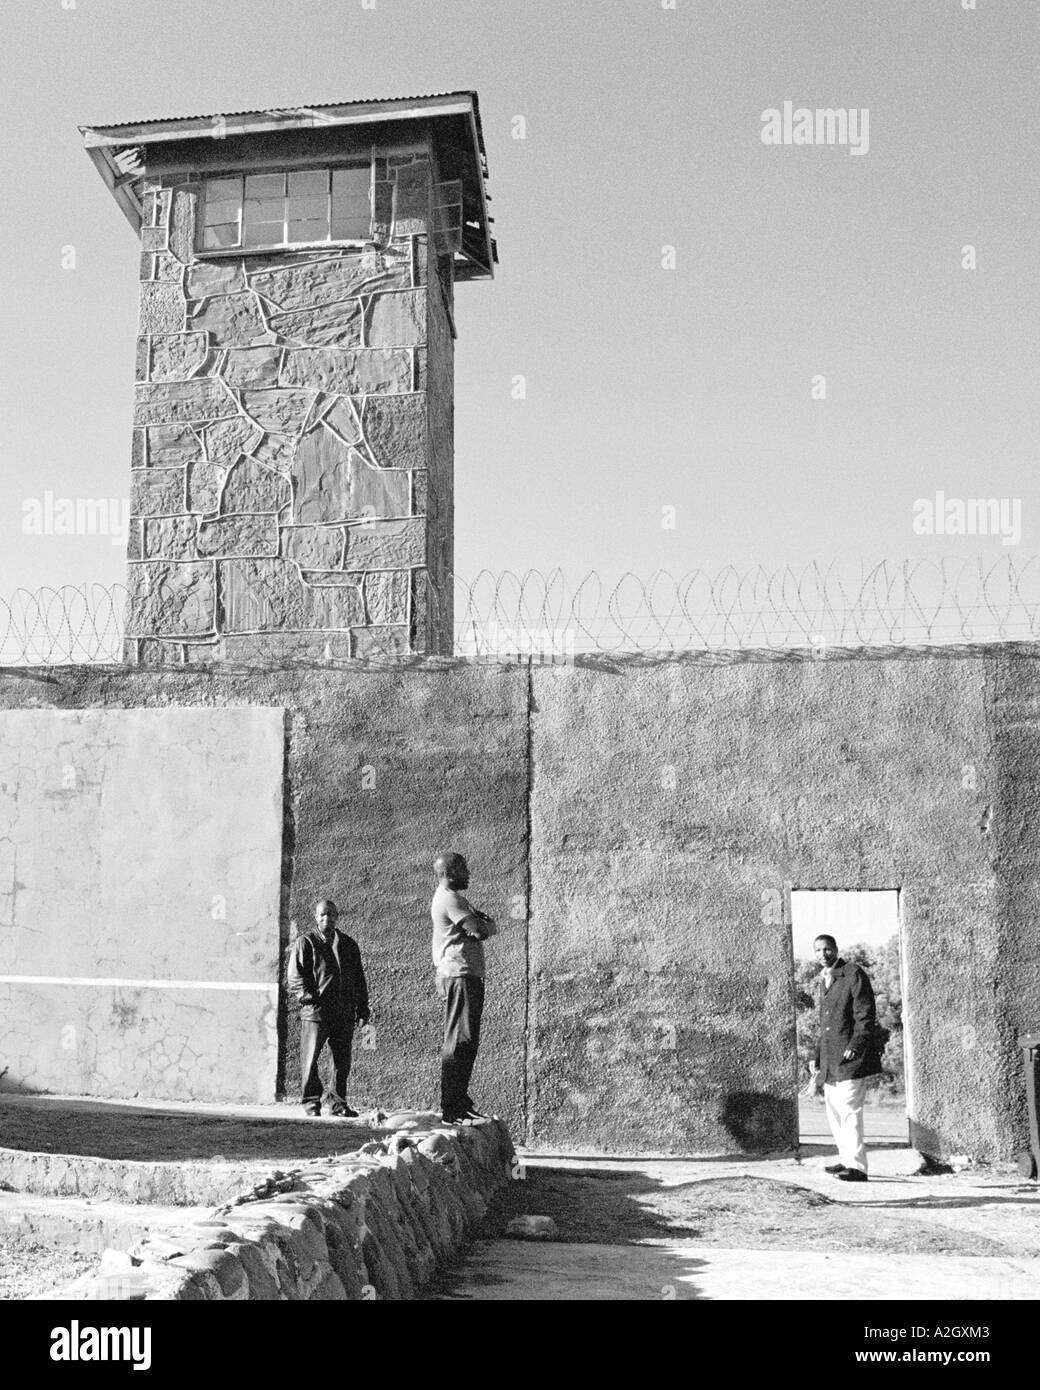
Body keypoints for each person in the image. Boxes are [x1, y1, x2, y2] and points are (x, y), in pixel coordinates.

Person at [808, 934, 882, 1182]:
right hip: (830, 1060)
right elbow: (826, 1025)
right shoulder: (826, 979)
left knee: (850, 1111)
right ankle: (846, 1159)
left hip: (850, 1059)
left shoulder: (853, 973)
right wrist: (816, 1057)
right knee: (835, 1111)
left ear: (836, 949)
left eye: (827, 949)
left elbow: (865, 1015)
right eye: (818, 950)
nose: (823, 954)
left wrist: (856, 1045)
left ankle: (858, 1167)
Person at [430, 852, 497, 1124]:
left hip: (463, 975)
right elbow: (481, 930)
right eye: (464, 869)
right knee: (460, 1041)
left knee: (465, 1040)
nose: (469, 873)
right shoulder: (451, 899)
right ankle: (453, 1108)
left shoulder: (452, 898)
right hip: (459, 975)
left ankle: (460, 1103)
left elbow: (480, 927)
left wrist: (482, 924)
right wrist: (484, 923)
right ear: (450, 871)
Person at [287, 898, 370, 1118]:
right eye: (323, 914)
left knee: (341, 1061)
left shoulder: (348, 944)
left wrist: (362, 1009)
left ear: (337, 916)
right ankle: (311, 1102)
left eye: (331, 914)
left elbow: (358, 979)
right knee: (310, 1058)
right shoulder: (306, 942)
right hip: (316, 1012)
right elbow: (294, 978)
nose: (327, 918)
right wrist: (310, 998)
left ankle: (338, 1104)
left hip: (344, 1012)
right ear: (316, 917)